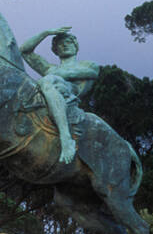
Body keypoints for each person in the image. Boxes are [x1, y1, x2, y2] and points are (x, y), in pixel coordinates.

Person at [19, 26, 103, 164]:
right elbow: (24, 51)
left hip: (68, 96)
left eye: (68, 42)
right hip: (46, 96)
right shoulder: (50, 69)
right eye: (60, 44)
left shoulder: (88, 64)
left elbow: (82, 74)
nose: (64, 46)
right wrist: (46, 32)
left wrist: (53, 75)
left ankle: (65, 138)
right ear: (56, 50)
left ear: (76, 46)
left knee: (47, 80)